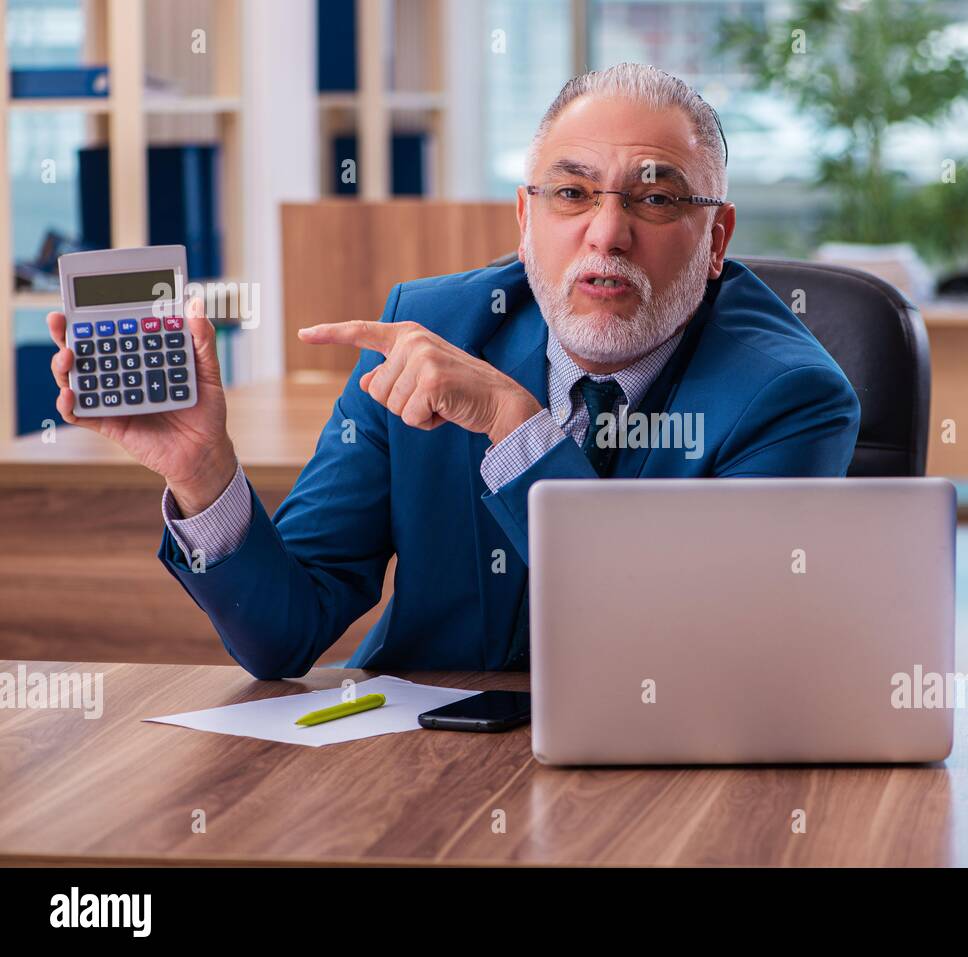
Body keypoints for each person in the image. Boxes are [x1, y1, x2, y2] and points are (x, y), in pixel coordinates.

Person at [45, 63, 860, 679]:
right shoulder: (430, 327)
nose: (607, 233)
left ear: (716, 241)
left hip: (653, 791)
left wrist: (517, 427)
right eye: (572, 193)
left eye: (654, 201)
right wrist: (205, 474)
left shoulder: (790, 396)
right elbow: (284, 634)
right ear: (525, 217)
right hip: (413, 767)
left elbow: (683, 650)